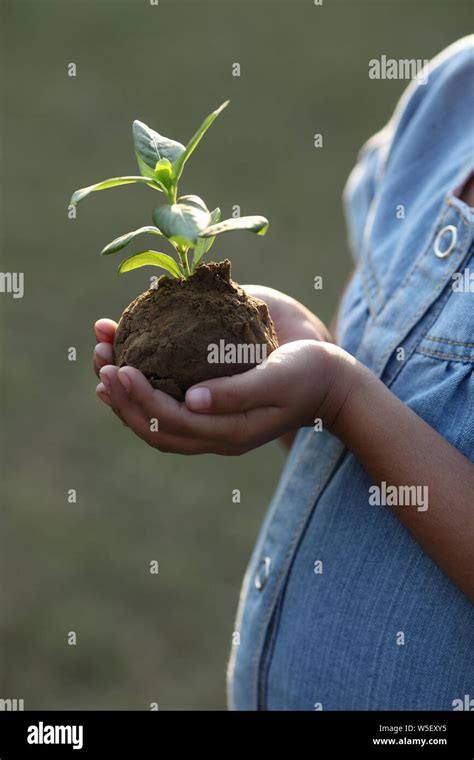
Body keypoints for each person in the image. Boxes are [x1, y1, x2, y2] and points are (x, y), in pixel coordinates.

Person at [93, 37, 474, 710]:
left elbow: (356, 397)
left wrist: (341, 393)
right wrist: (307, 376)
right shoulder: (452, 94)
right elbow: (390, 427)